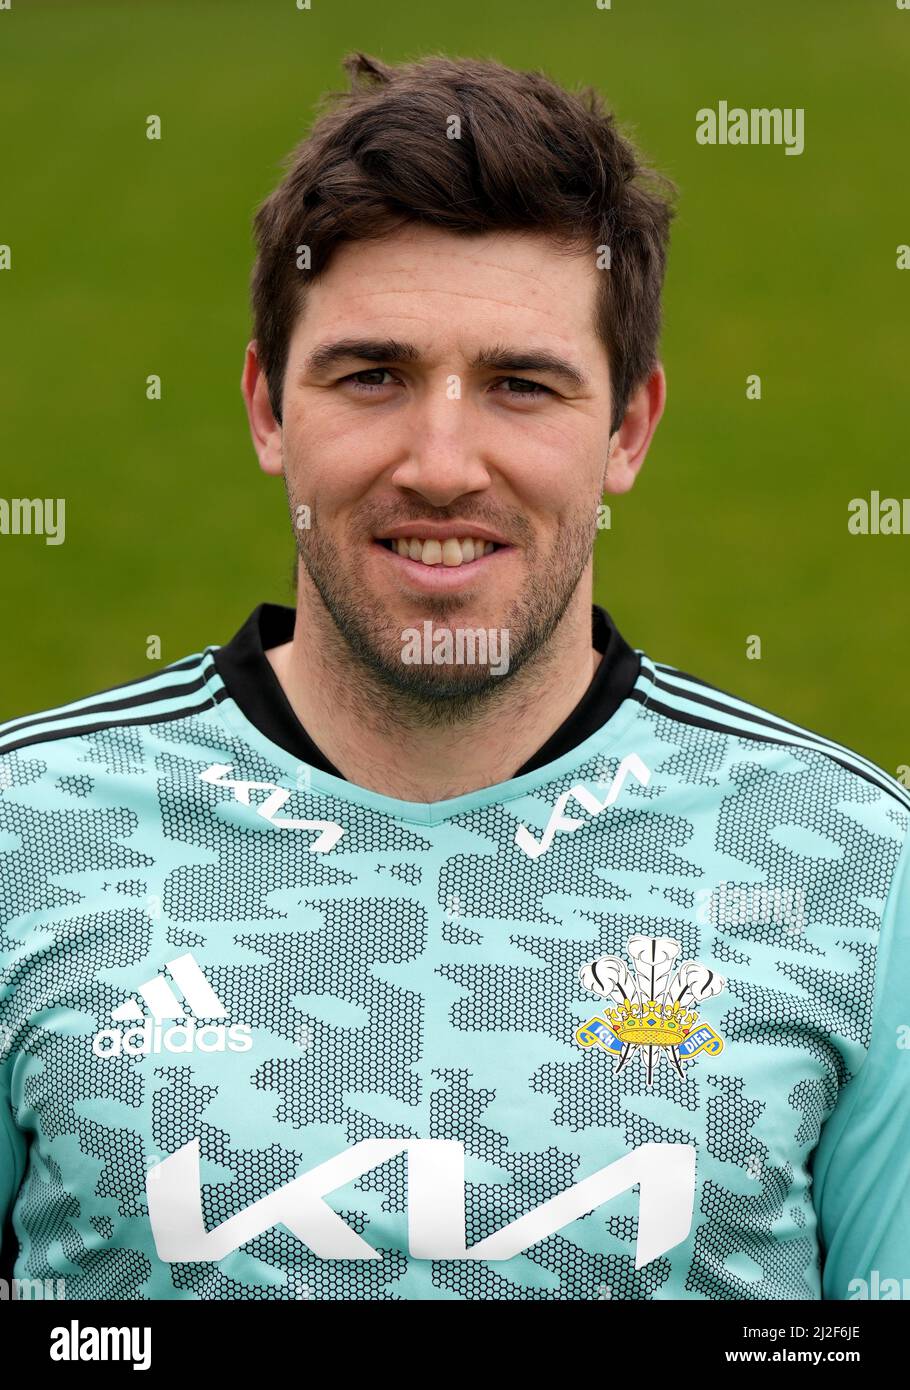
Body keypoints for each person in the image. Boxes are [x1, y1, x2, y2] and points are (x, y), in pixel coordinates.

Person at [1, 52, 907, 1302]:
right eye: (371, 375)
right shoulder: (22, 838)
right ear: (268, 407)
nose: (440, 463)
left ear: (627, 431)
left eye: (520, 386)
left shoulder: (856, 867)